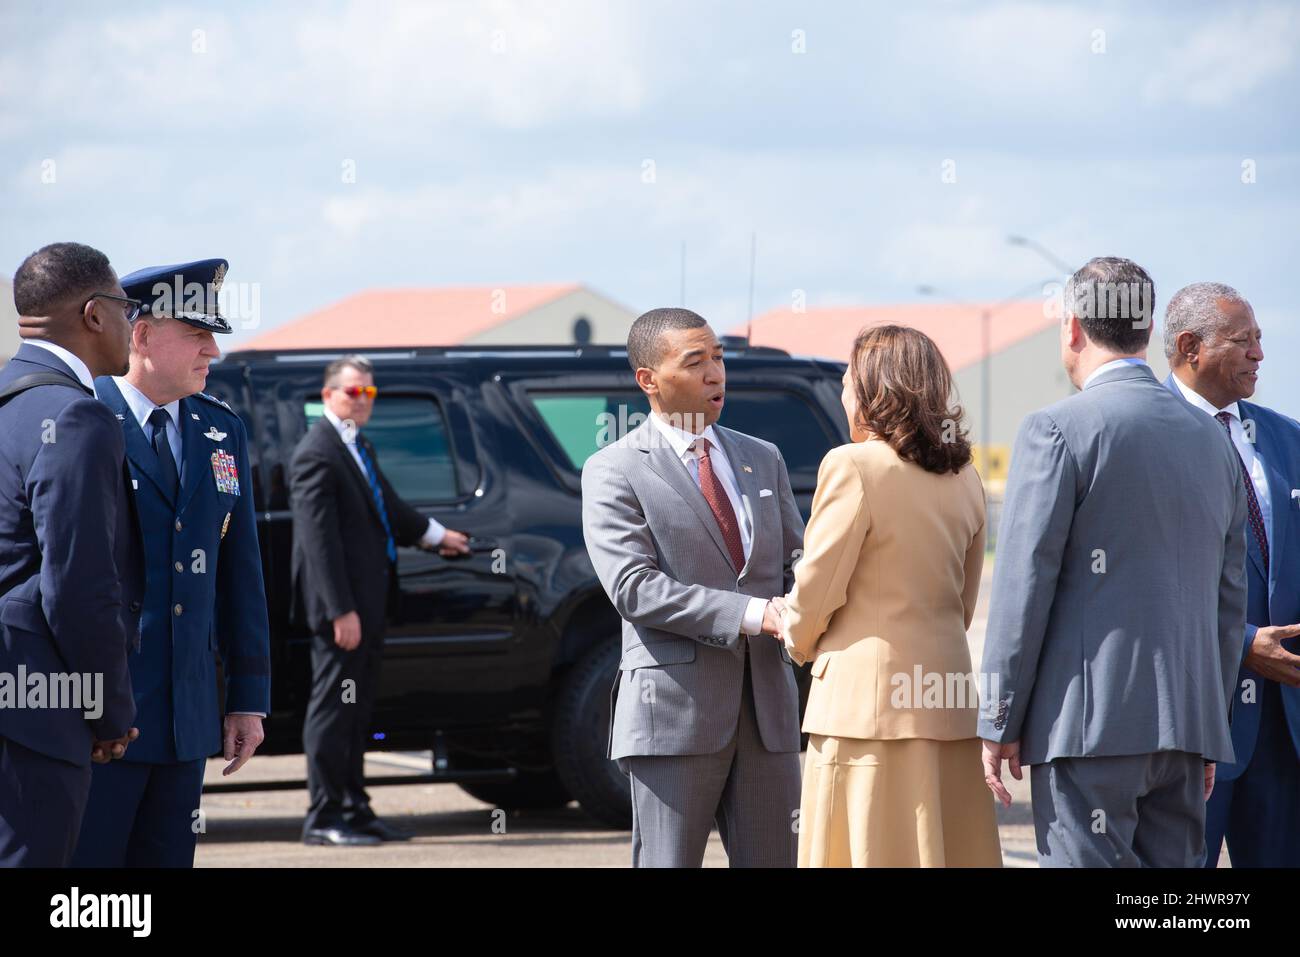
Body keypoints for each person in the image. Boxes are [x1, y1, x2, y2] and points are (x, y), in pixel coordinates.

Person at [979, 256, 1248, 867]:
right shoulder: (1215, 439)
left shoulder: (1055, 428)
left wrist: (998, 719)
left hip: (1085, 729)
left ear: (1072, 328)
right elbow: (1227, 604)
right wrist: (1211, 726)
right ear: (1148, 332)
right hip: (1186, 729)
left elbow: (1024, 588)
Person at [581, 308, 804, 867]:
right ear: (648, 380)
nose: (716, 375)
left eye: (720, 358)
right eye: (696, 361)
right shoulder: (614, 469)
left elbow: (797, 562)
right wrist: (754, 614)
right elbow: (634, 587)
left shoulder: (762, 457)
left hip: (767, 714)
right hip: (674, 719)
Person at [72, 259, 272, 867]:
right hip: (98, 719)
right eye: (196, 333)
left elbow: (240, 570)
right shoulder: (80, 418)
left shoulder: (219, 429)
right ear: (140, 334)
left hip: (185, 720)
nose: (213, 348)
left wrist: (248, 698)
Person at [779, 324, 1001, 867]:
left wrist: (796, 641)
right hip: (945, 700)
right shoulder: (965, 475)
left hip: (863, 709)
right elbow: (964, 602)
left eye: (850, 380)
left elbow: (815, 591)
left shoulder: (852, 465)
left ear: (876, 389)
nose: (844, 392)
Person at [0, 242, 144, 866]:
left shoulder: (10, 402)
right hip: (36, 711)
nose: (132, 322)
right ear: (93, 314)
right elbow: (80, 588)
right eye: (126, 306)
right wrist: (108, 711)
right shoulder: (76, 415)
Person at [291, 355, 470, 846]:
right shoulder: (317, 452)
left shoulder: (355, 443)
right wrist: (338, 611)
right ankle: (324, 817)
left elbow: (388, 507)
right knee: (332, 710)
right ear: (328, 395)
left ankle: (354, 808)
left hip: (369, 605)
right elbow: (317, 541)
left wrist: (438, 537)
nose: (363, 400)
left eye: (369, 392)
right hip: (343, 611)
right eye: (353, 392)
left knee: (356, 710)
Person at [1162, 282, 1300, 867]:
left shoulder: (1286, 437)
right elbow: (1143, 574)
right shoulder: (1148, 437)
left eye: (1260, 340)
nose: (1260, 355)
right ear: (1191, 347)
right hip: (1192, 724)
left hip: (1284, 725)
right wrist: (1243, 644)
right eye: (1242, 342)